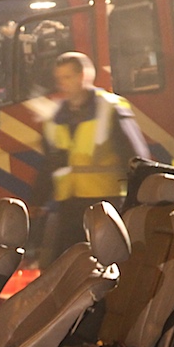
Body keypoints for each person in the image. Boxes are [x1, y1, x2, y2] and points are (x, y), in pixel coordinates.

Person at [32, 52, 150, 265]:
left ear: (84, 76)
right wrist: (35, 202)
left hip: (106, 205)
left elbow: (135, 157)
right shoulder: (55, 116)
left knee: (110, 266)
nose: (63, 84)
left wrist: (140, 199)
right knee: (65, 269)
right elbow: (49, 164)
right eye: (59, 79)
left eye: (68, 77)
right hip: (69, 208)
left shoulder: (110, 108)